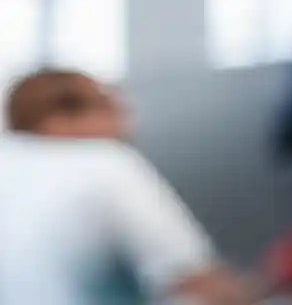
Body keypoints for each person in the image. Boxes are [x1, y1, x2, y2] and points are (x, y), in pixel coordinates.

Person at [0, 68, 253, 304]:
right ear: (59, 119)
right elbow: (200, 282)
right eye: (113, 109)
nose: (126, 126)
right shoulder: (105, 160)